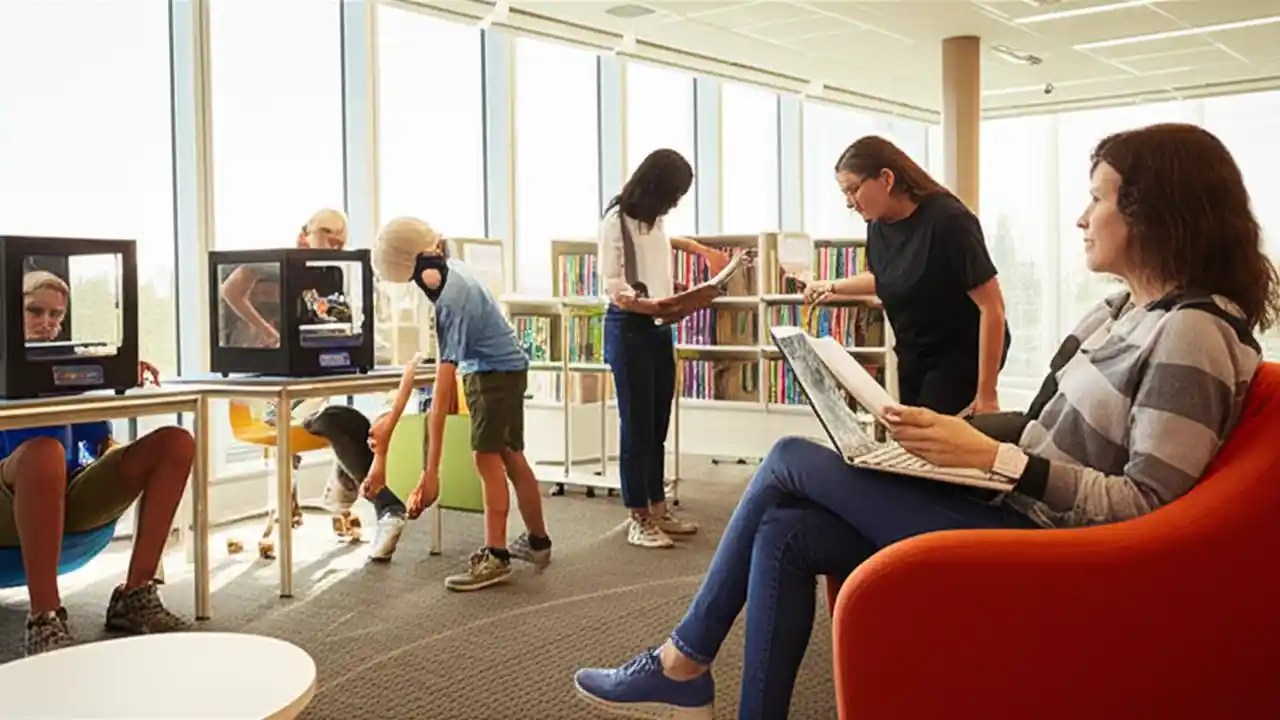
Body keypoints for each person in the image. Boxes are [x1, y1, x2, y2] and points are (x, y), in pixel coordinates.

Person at [572, 122, 1280, 718]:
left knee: (789, 457)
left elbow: (1143, 506)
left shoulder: (1191, 334)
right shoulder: (1123, 311)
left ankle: (682, 659)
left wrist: (989, 456)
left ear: (1155, 213)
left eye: (1097, 199)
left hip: (1044, 545)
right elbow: (1041, 434)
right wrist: (930, 439)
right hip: (1009, 503)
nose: (1081, 217)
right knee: (786, 530)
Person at [9, 271, 195, 656]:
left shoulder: (68, 363)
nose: (48, 323)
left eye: (56, 315)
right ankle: (44, 618)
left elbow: (95, 432)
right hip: (8, 492)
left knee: (176, 443)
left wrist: (123, 368)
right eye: (35, 311)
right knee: (44, 454)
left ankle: (134, 596)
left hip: (68, 486)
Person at [365, 217, 552, 591]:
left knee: (487, 458)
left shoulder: (450, 298)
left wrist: (430, 472)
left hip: (491, 374)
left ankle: (496, 557)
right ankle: (537, 542)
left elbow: (442, 392)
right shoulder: (454, 269)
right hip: (509, 366)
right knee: (512, 454)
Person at [803, 136, 1010, 416]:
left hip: (959, 355)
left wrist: (988, 395)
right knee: (912, 438)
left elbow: (992, 307)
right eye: (845, 194)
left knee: (930, 442)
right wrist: (832, 286)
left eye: (853, 190)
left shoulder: (949, 221)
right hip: (914, 355)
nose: (850, 203)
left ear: (886, 179)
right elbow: (892, 277)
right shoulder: (877, 227)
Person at [598, 148, 730, 549]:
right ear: (655, 186)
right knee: (636, 425)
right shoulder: (615, 221)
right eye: (673, 193)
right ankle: (637, 515)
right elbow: (614, 285)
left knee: (657, 423)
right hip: (629, 327)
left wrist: (674, 294)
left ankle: (657, 507)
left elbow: (657, 262)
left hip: (657, 327)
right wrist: (646, 303)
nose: (675, 202)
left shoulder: (654, 223)